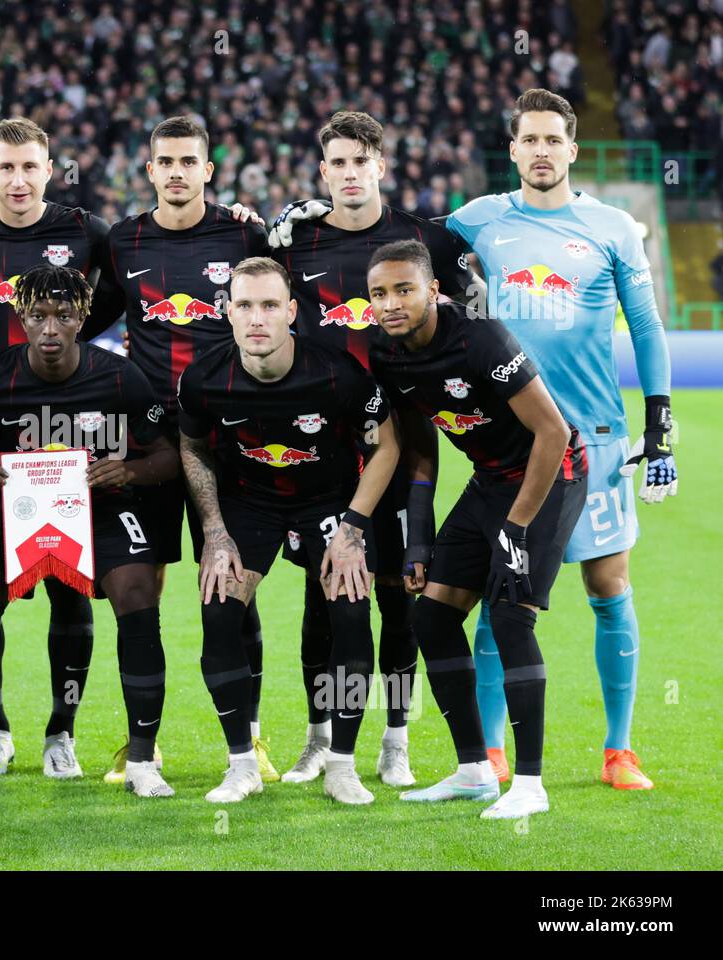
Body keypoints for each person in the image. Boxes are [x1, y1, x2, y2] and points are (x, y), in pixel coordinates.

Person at [445, 89, 675, 790]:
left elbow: (647, 326)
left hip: (596, 439)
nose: (541, 152)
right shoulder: (480, 219)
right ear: (512, 150)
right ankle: (488, 754)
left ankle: (618, 749)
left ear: (573, 150)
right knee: (500, 595)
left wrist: (659, 427)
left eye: (554, 140)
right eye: (529, 140)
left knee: (610, 586)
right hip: (513, 448)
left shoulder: (611, 227)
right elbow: (399, 238)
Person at [253, 110, 480, 788]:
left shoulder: (428, 240)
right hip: (325, 448)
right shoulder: (298, 243)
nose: (351, 174)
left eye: (362, 161)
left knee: (399, 597)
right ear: (323, 173)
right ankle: (321, 739)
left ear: (382, 165)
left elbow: (474, 314)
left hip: (407, 445)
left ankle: (397, 740)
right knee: (325, 599)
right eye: (338, 164)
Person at [0, 264, 179, 797]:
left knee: (136, 594)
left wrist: (128, 470)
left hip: (100, 507)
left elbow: (169, 454)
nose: (49, 329)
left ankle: (137, 760)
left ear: (83, 317)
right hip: (12, 506)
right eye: (37, 315)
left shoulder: (119, 376)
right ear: (20, 316)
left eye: (63, 316)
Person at [367, 240, 587, 819]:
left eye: (404, 289)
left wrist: (515, 530)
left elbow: (554, 433)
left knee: (511, 615)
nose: (391, 304)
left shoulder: (480, 337)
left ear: (433, 289)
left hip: (552, 474)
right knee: (432, 617)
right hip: (490, 479)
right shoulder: (384, 355)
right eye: (379, 294)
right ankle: (473, 771)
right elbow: (417, 449)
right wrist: (419, 538)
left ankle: (531, 785)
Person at [90, 116, 273, 783]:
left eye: (186, 161)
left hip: (228, 436)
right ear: (148, 171)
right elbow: (84, 320)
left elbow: (282, 307)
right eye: (163, 161)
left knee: (234, 586)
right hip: (147, 438)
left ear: (207, 169)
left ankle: (250, 741)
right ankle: (144, 746)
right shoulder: (123, 240)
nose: (175, 172)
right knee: (141, 589)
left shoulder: (245, 234)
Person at [0, 118, 118, 778]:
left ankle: (60, 734)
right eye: (5, 168)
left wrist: (69, 342)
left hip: (64, 437)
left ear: (49, 170)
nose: (17, 180)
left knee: (69, 589)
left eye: (29, 167)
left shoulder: (84, 232)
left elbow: (126, 286)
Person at [178, 256, 399, 805]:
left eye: (270, 305)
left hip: (326, 503)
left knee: (349, 607)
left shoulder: (338, 373)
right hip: (248, 505)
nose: (257, 318)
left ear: (292, 313)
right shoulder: (204, 378)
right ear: (227, 312)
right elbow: (191, 447)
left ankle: (341, 766)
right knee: (219, 606)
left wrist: (351, 529)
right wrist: (214, 531)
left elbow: (386, 446)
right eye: (245, 305)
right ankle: (241, 764)